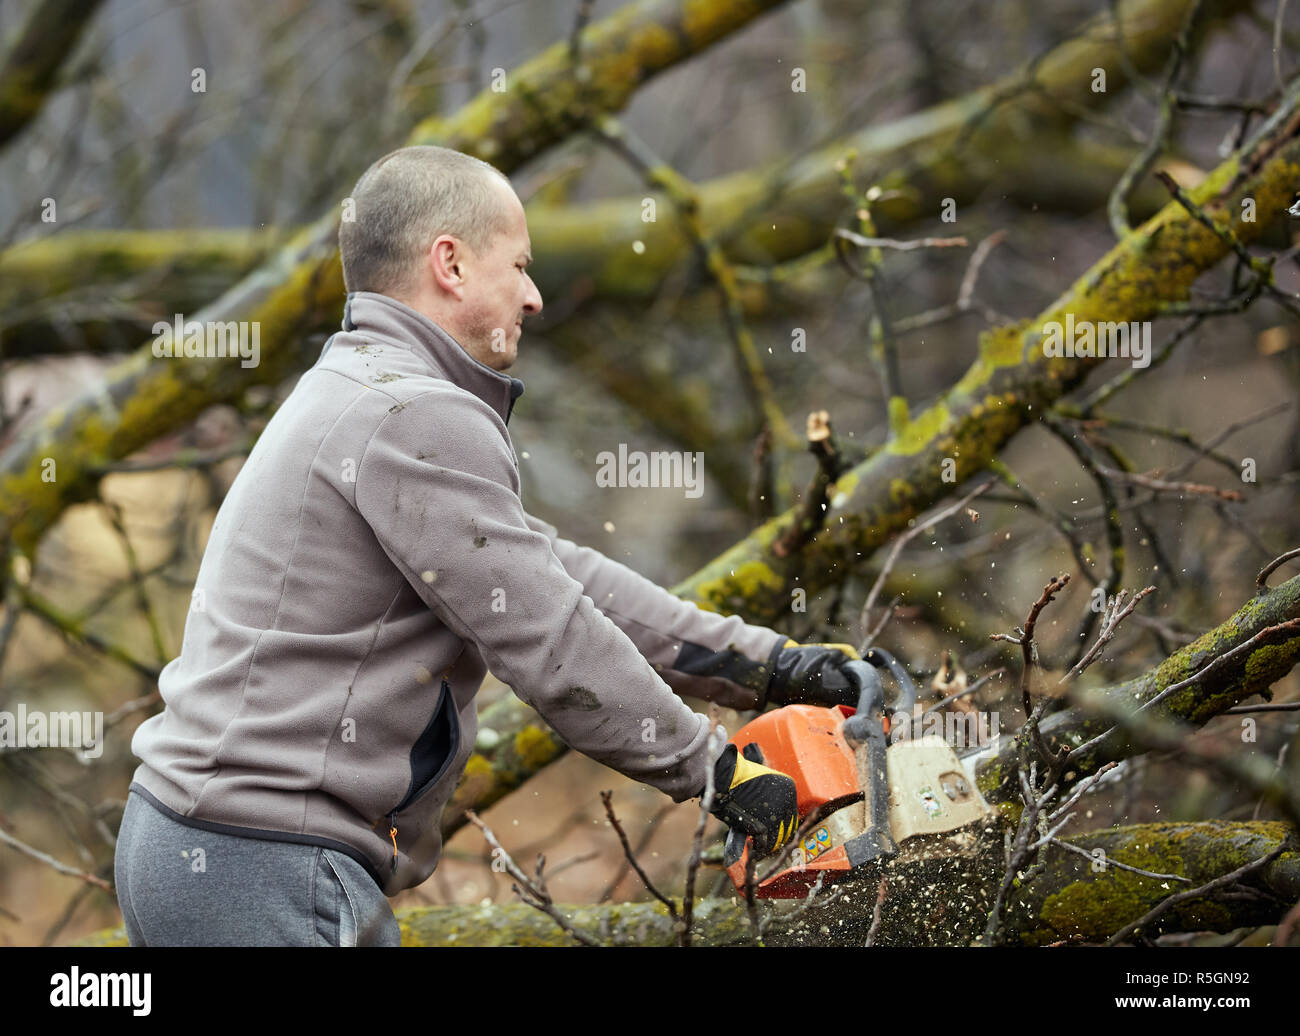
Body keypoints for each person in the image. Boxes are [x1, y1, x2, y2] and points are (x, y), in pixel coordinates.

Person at [113, 145, 860, 946]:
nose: (534, 297)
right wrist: (715, 772)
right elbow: (551, 641)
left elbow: (556, 580)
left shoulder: (362, 392)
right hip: (262, 863)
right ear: (452, 264)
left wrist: (766, 665)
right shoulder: (413, 416)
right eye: (520, 265)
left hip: (207, 847)